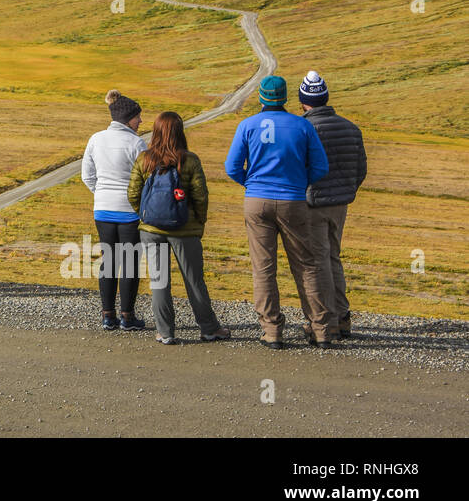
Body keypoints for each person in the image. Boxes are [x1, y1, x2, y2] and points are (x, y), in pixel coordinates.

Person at [225, 75, 330, 349]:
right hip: (293, 199)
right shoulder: (301, 126)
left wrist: (251, 182)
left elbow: (232, 167)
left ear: (261, 97)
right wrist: (299, 182)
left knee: (263, 268)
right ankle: (320, 329)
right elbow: (320, 167)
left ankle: (272, 331)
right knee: (306, 265)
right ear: (285, 97)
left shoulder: (247, 125)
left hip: (256, 199)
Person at [128, 112, 230, 344]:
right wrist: (199, 222)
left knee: (159, 281)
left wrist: (145, 216)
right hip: (186, 230)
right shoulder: (190, 160)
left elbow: (133, 193)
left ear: (156, 131)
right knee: (194, 280)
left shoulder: (145, 159)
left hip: (151, 230)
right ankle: (208, 328)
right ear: (180, 132)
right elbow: (200, 196)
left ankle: (165, 332)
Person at [299, 71, 367, 340]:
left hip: (312, 202)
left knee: (315, 262)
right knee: (333, 257)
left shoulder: (304, 129)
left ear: (304, 101)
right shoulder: (351, 128)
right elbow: (360, 169)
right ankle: (342, 316)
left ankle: (323, 321)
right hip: (341, 204)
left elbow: (298, 169)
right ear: (325, 99)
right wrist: (346, 190)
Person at [81, 90, 148, 330]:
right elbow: (146, 179)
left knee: (108, 262)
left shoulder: (95, 139)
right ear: (128, 118)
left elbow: (87, 176)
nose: (140, 121)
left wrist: (101, 194)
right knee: (130, 263)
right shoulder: (137, 143)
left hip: (102, 210)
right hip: (130, 212)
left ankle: (107, 315)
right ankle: (127, 317)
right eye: (138, 117)